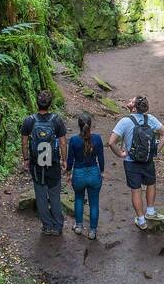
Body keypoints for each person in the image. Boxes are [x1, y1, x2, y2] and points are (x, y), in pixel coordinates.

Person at [108, 94, 164, 230]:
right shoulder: (150, 119)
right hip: (148, 159)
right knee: (151, 184)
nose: (128, 101)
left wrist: (120, 154)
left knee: (136, 190)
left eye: (131, 101)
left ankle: (141, 220)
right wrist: (155, 150)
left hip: (131, 161)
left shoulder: (124, 122)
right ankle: (151, 212)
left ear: (134, 108)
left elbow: (111, 142)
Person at [21, 90, 67, 236]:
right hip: (52, 164)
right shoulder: (56, 120)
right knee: (54, 195)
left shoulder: (29, 121)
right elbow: (63, 143)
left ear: (36, 102)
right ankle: (58, 226)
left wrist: (26, 159)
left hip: (36, 165)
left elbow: (24, 141)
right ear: (50, 104)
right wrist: (64, 160)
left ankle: (47, 226)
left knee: (40, 195)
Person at [66, 112, 105, 240]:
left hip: (79, 173)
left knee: (78, 199)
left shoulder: (74, 140)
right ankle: (92, 231)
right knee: (94, 203)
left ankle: (78, 226)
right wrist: (102, 172)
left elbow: (70, 160)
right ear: (90, 125)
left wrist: (68, 172)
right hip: (94, 173)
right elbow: (101, 158)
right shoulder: (97, 139)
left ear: (78, 125)